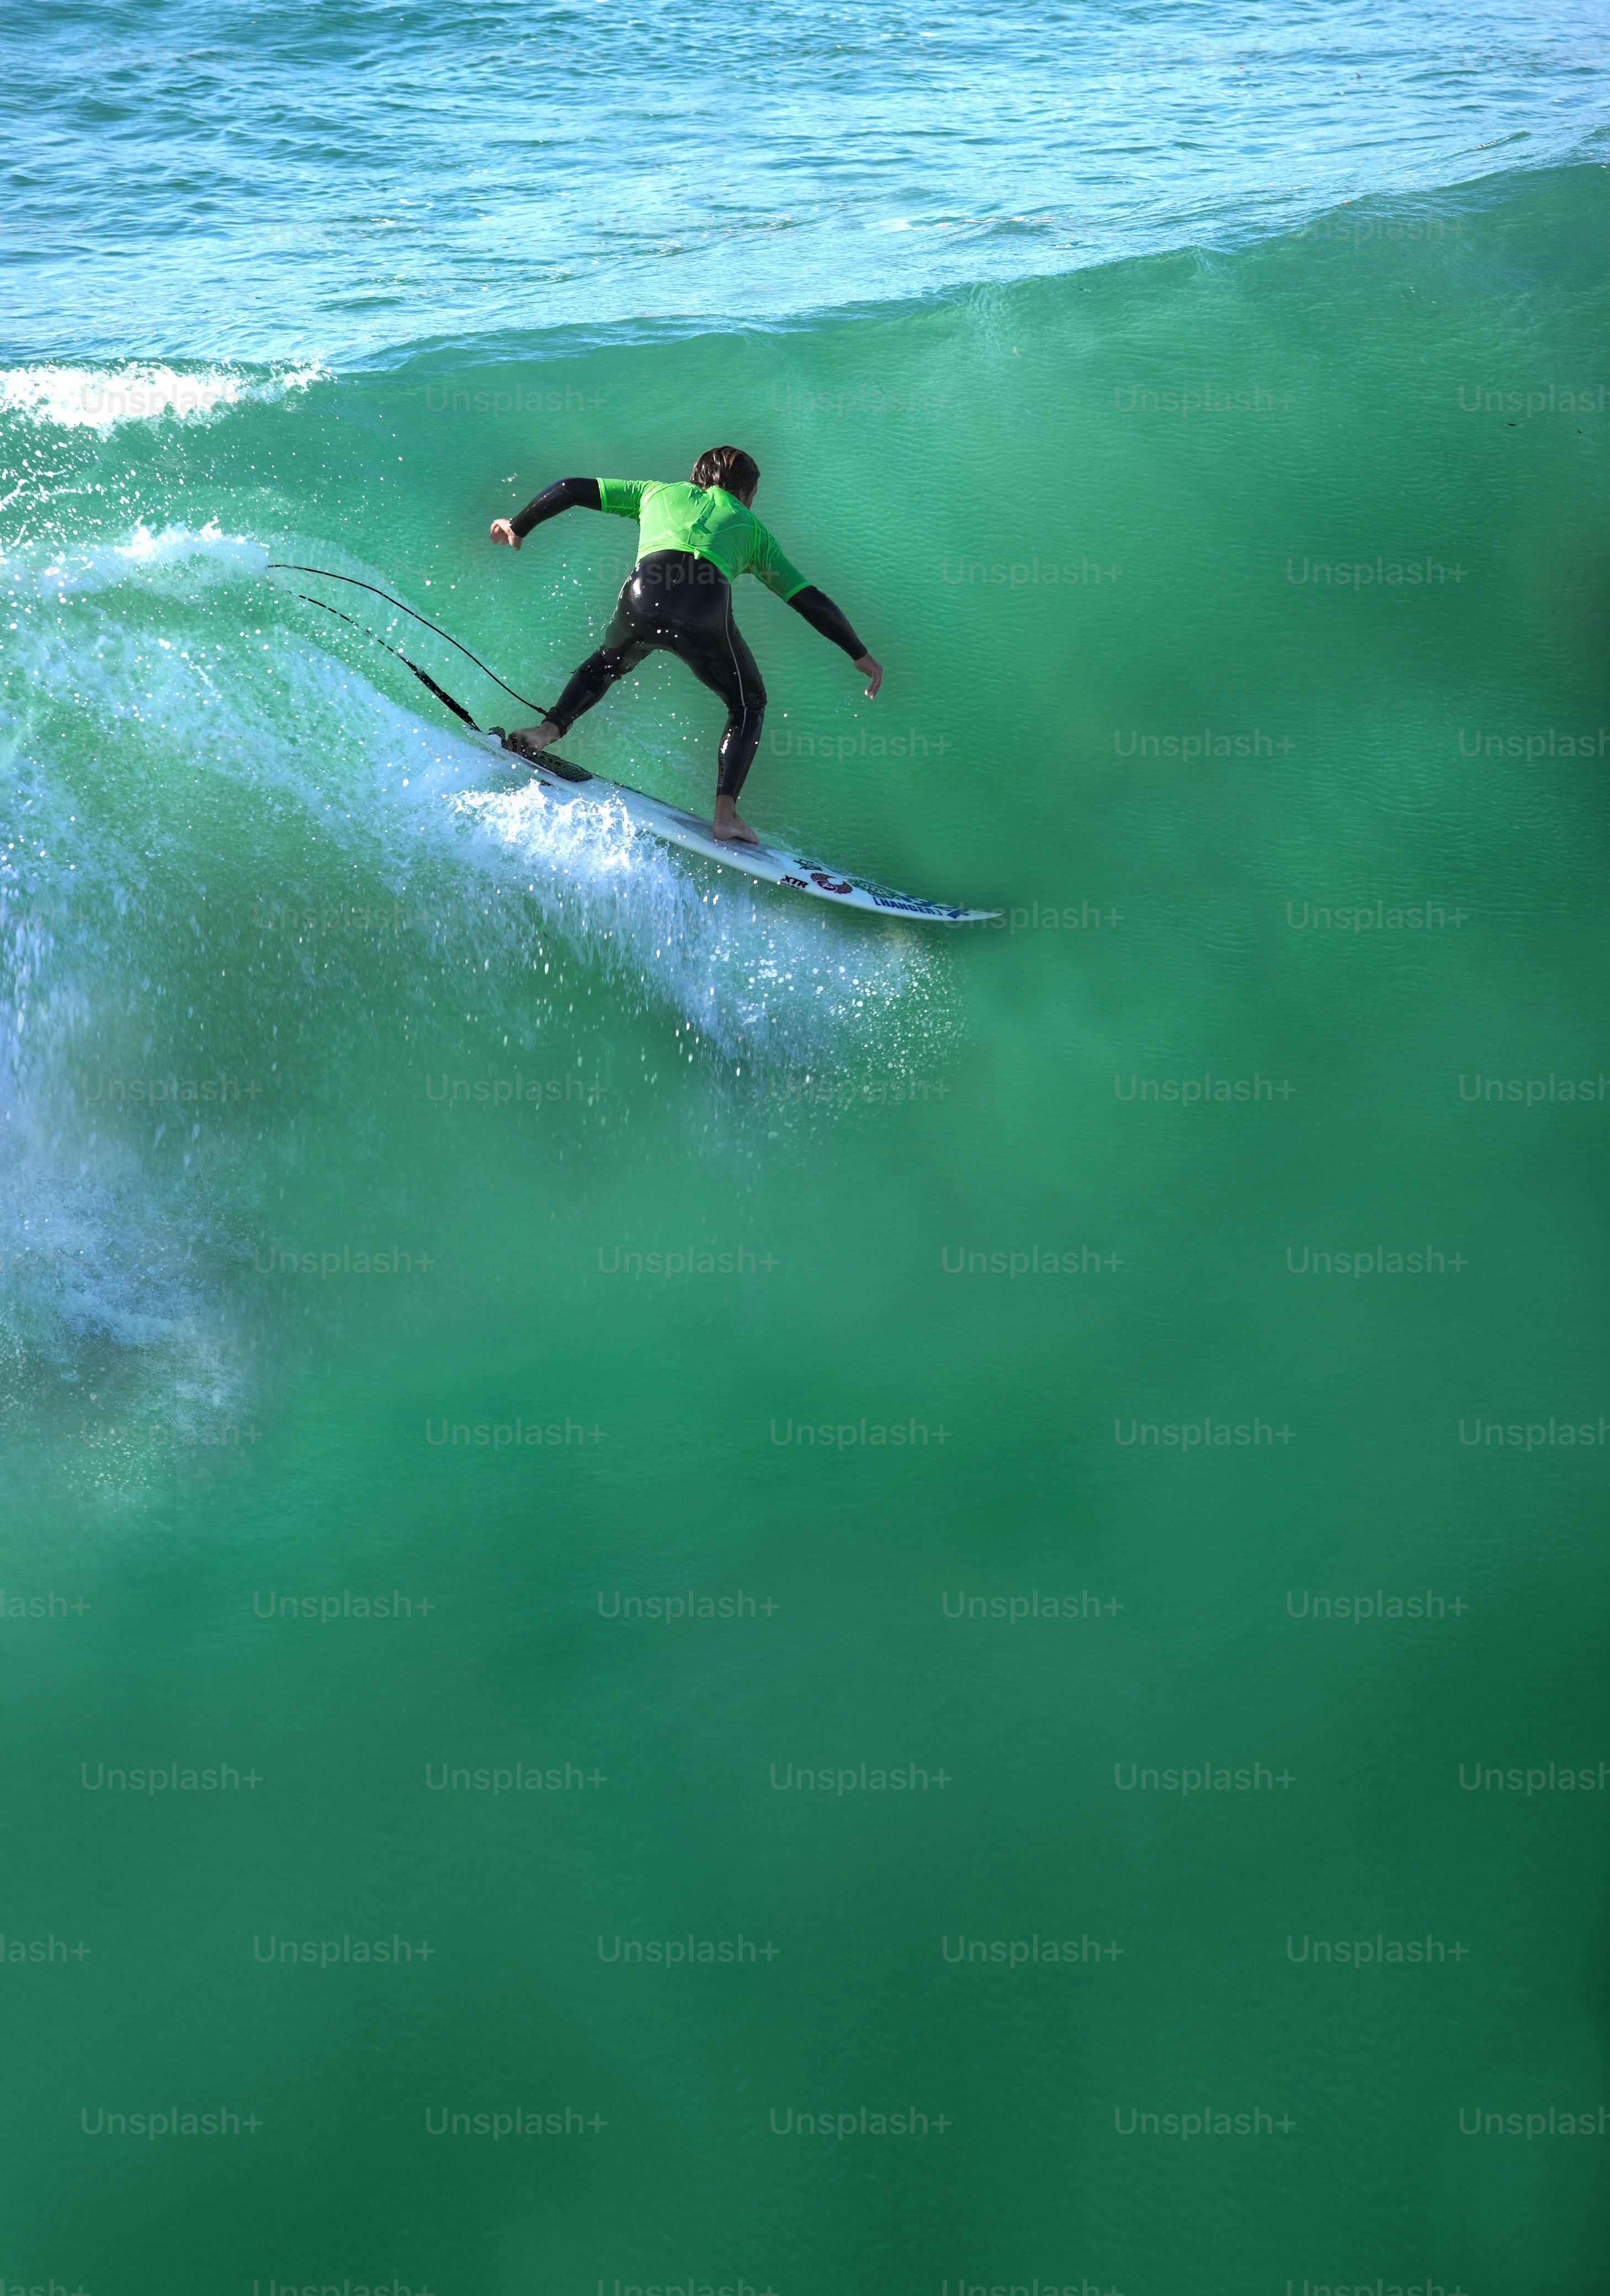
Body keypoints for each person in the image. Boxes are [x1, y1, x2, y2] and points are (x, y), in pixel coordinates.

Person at [490, 446, 881, 844]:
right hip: (703, 607)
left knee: (607, 663)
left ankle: (545, 730)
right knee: (748, 703)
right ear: (746, 494)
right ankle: (725, 815)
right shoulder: (754, 530)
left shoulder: (655, 493)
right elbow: (807, 598)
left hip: (645, 594)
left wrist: (517, 525)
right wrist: (859, 654)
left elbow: (569, 488)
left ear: (696, 475)